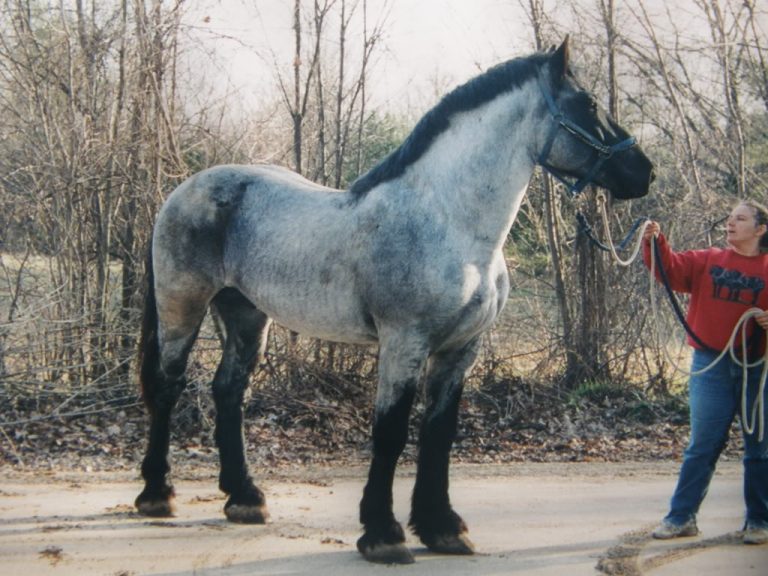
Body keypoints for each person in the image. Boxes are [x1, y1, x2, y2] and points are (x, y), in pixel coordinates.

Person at [642, 199, 768, 545]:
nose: (730, 223)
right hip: (711, 365)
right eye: (729, 218)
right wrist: (655, 241)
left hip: (759, 369)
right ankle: (681, 517)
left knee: (760, 447)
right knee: (702, 445)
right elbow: (669, 269)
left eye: (740, 219)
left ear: (760, 229)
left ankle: (759, 520)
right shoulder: (708, 260)